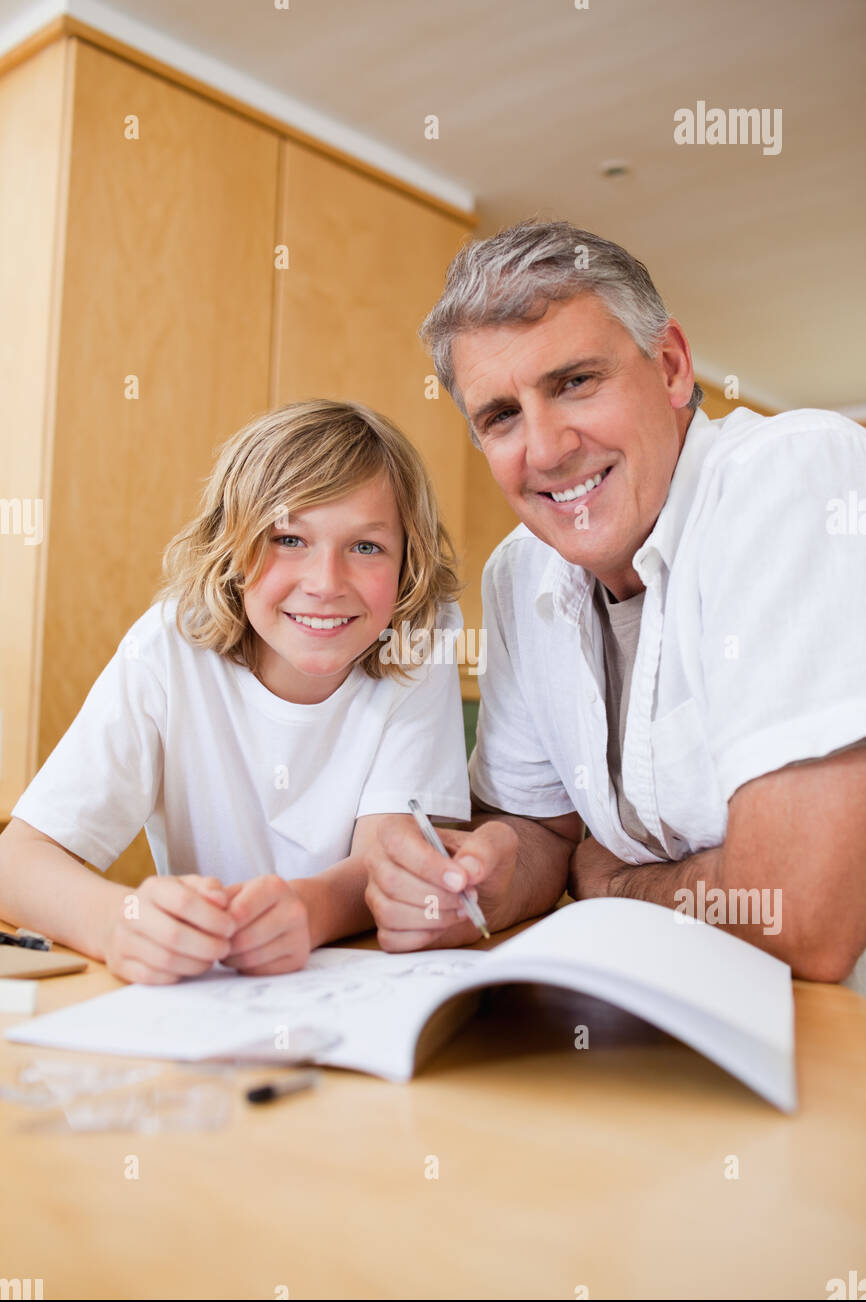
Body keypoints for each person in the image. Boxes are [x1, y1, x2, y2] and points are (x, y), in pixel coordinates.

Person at [364, 220, 866, 992]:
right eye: (500, 415)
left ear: (670, 367)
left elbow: (798, 917)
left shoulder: (793, 478)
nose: (546, 449)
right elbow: (543, 830)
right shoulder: (519, 574)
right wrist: (489, 873)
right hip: (684, 1016)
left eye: (573, 382)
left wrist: (608, 879)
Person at [0, 400, 470, 983]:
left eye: (366, 547)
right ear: (232, 549)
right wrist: (118, 921)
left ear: (406, 565)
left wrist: (309, 910)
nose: (325, 584)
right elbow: (16, 863)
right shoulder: (166, 651)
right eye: (289, 539)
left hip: (365, 984)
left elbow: (391, 860)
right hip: (206, 993)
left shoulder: (420, 640)